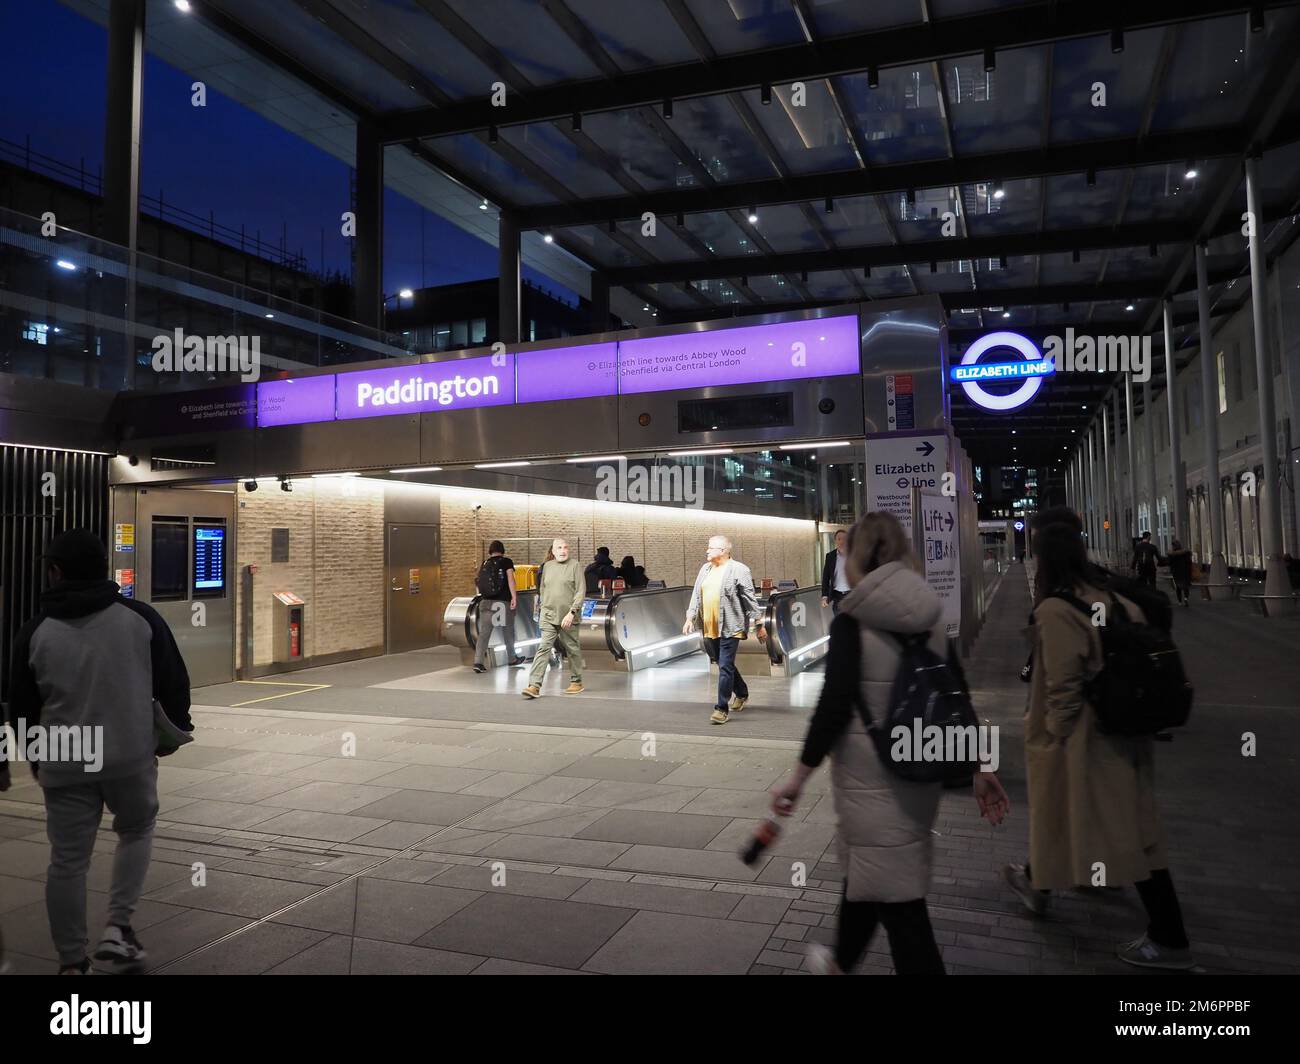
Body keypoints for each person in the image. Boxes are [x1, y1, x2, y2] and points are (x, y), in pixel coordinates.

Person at [771, 513, 1009, 975]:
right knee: (878, 869)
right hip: (918, 771)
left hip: (868, 777)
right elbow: (957, 694)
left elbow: (833, 708)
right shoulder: (930, 615)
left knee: (901, 905)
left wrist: (796, 780)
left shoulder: (851, 622)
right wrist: (981, 765)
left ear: (856, 556)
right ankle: (842, 960)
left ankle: (849, 962)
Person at [1002, 520, 1194, 970]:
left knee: (1120, 832)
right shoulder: (1117, 598)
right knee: (1123, 826)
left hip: (1088, 742)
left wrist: (1055, 736)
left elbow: (1064, 688)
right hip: (1127, 736)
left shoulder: (1056, 609)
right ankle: (1039, 883)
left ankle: (1170, 938)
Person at [1, 529, 191, 975]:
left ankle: (71, 963)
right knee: (137, 828)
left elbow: (21, 704)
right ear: (103, 567)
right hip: (129, 751)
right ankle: (118, 928)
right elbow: (173, 683)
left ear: (55, 572)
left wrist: (34, 756)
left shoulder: (35, 631)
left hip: (64, 756)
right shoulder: (140, 618)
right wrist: (173, 732)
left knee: (67, 861)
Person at [682, 535, 766, 725]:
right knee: (723, 664)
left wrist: (759, 624)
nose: (707, 551)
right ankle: (742, 692)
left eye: (711, 548)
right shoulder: (705, 569)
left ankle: (721, 708)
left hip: (730, 626)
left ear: (723, 551)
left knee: (725, 665)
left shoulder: (739, 570)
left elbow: (749, 599)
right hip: (708, 626)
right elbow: (696, 594)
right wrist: (690, 617)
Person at [523, 538, 586, 699]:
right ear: (553, 551)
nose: (563, 550)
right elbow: (543, 590)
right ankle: (534, 685)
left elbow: (580, 592)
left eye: (565, 547)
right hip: (549, 616)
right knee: (544, 647)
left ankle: (576, 681)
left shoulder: (575, 566)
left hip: (568, 617)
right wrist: (543, 611)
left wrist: (572, 612)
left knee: (572, 649)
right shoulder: (547, 567)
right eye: (559, 548)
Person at [473, 540, 523, 672]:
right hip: (502, 603)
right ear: (502, 550)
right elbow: (510, 579)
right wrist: (514, 596)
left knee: (484, 634)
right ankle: (512, 658)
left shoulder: (485, 563)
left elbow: (479, 582)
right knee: (508, 631)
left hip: (485, 602)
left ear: (490, 550)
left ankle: (478, 662)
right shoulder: (506, 561)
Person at [820, 529, 851, 613]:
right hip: (837, 597)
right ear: (835, 541)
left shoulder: (854, 555)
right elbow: (825, 577)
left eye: (844, 539)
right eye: (839, 539)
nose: (841, 541)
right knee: (839, 622)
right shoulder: (830, 556)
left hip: (852, 595)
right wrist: (824, 596)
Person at [1166, 539, 1193, 607]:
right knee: (1185, 586)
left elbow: (1169, 562)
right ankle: (1186, 598)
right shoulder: (1186, 553)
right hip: (1185, 571)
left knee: (1178, 587)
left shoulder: (1172, 554)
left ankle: (1180, 601)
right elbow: (1189, 562)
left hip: (1176, 572)